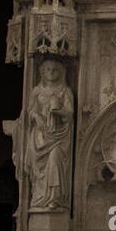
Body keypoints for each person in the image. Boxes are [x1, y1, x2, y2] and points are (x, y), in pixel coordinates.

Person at [27, 59, 74, 210]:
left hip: (59, 135)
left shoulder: (65, 91)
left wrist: (58, 110)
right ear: (42, 72)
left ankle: (55, 198)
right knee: (41, 168)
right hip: (41, 136)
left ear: (60, 72)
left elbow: (70, 113)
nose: (51, 72)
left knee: (55, 159)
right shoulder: (37, 91)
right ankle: (40, 197)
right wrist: (36, 117)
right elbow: (30, 111)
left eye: (55, 69)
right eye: (48, 69)